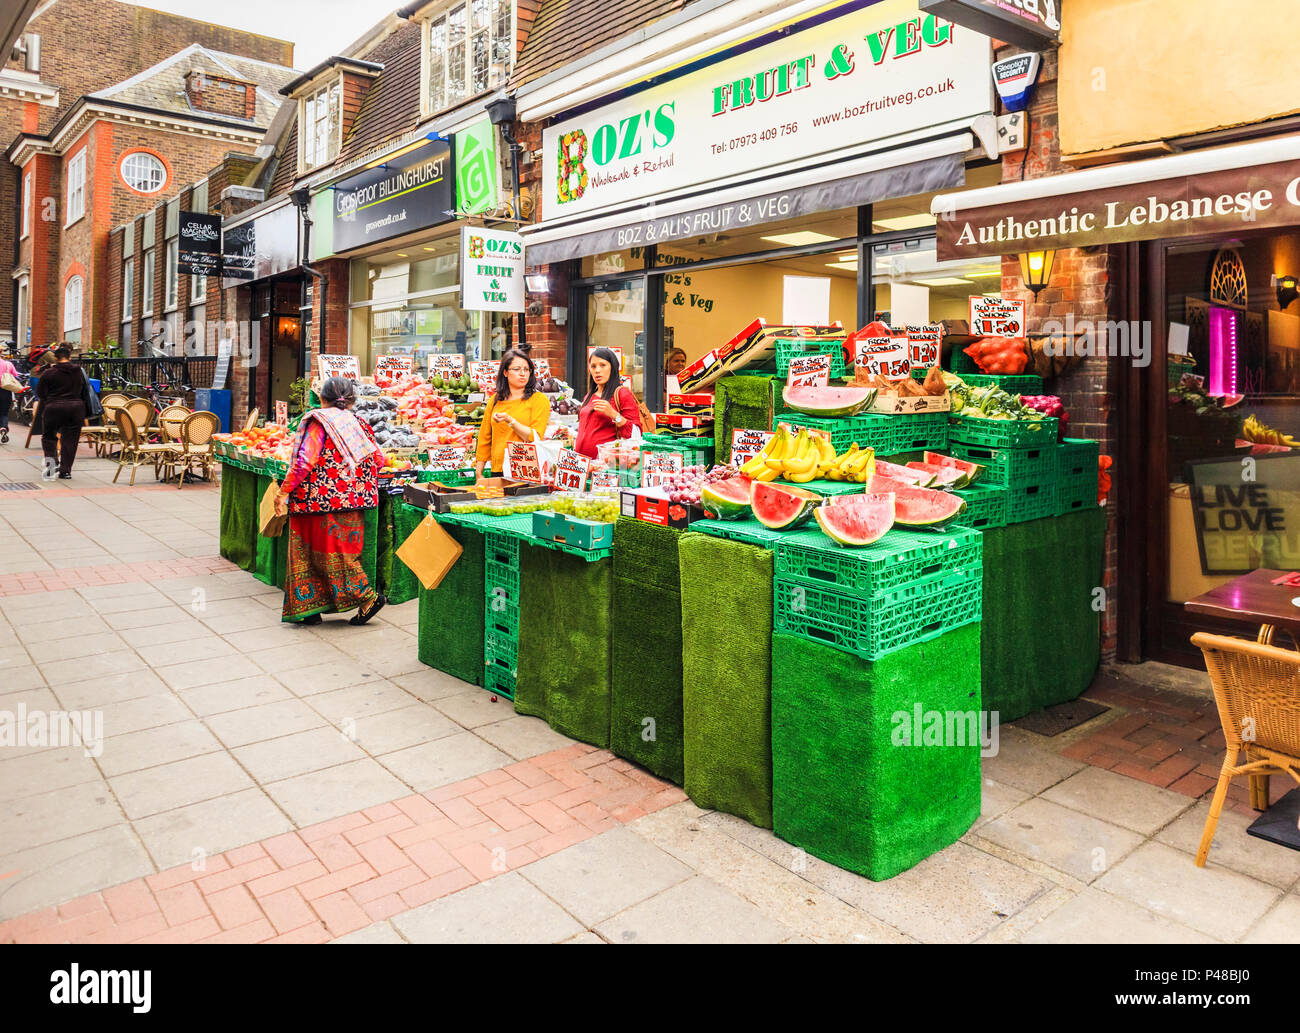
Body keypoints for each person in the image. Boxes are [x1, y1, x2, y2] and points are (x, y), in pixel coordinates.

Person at [273, 376, 386, 626]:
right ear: (351, 400)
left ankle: (366, 597)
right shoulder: (357, 422)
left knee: (312, 553)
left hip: (316, 502)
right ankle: (310, 608)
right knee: (342, 552)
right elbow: (379, 459)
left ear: (321, 398)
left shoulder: (319, 422)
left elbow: (304, 461)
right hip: (353, 500)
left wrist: (283, 491)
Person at [474, 347, 551, 480]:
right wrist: (479, 471)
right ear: (505, 372)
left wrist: (510, 420)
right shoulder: (495, 400)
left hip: (525, 468)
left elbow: (535, 436)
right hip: (498, 469)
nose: (523, 374)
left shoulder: (538, 400)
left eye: (526, 369)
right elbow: (485, 436)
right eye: (516, 369)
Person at [574, 346, 640, 460]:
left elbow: (636, 434)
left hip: (606, 466)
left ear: (612, 368)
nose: (597, 370)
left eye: (602, 365)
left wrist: (614, 415)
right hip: (582, 464)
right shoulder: (589, 396)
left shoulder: (622, 394)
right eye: (593, 366)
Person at [34, 344, 87, 479]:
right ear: (69, 357)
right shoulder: (79, 371)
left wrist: (50, 400)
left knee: (49, 437)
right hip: (75, 409)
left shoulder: (49, 373)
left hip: (54, 408)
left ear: (56, 358)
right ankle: (66, 471)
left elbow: (40, 392)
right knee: (70, 439)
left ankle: (51, 467)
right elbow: (84, 390)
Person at [0, 347, 18, 444]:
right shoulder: (8, 364)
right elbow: (15, 375)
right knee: (4, 412)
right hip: (5, 390)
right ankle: (3, 427)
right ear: (1, 352)